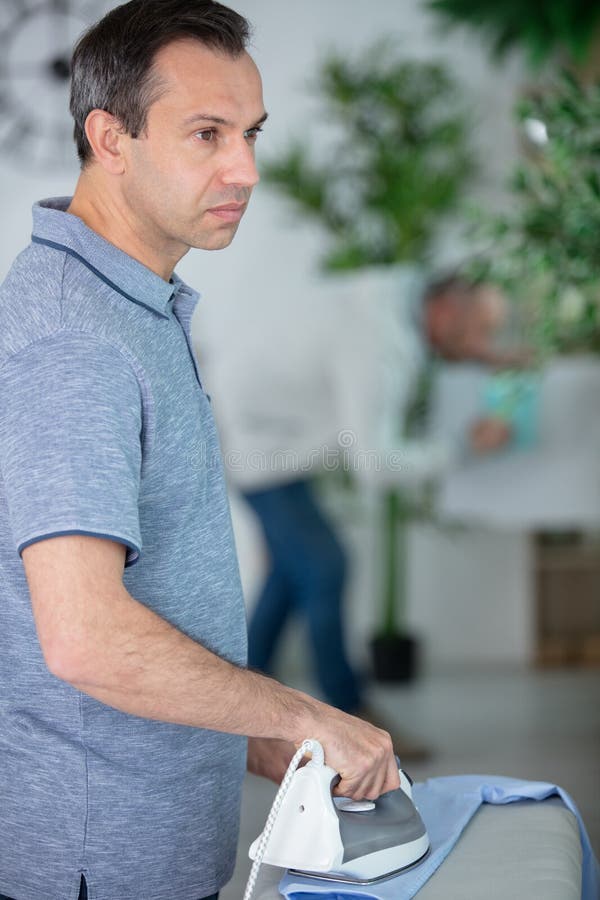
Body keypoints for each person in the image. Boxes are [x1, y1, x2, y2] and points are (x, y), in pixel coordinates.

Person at [0, 4, 401, 900]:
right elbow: (85, 635)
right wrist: (300, 710)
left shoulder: (132, 305)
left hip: (150, 841)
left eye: (251, 133)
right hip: (98, 863)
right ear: (111, 137)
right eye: (208, 134)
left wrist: (246, 728)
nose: (246, 169)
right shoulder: (78, 336)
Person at [206, 271, 525, 765]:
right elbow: (375, 465)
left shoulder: (393, 296)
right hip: (257, 445)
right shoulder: (380, 344)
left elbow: (436, 351)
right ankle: (348, 708)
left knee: (295, 576)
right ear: (444, 313)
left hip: (268, 436)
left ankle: (233, 717)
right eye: (480, 330)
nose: (483, 343)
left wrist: (478, 354)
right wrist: (463, 447)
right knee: (326, 567)